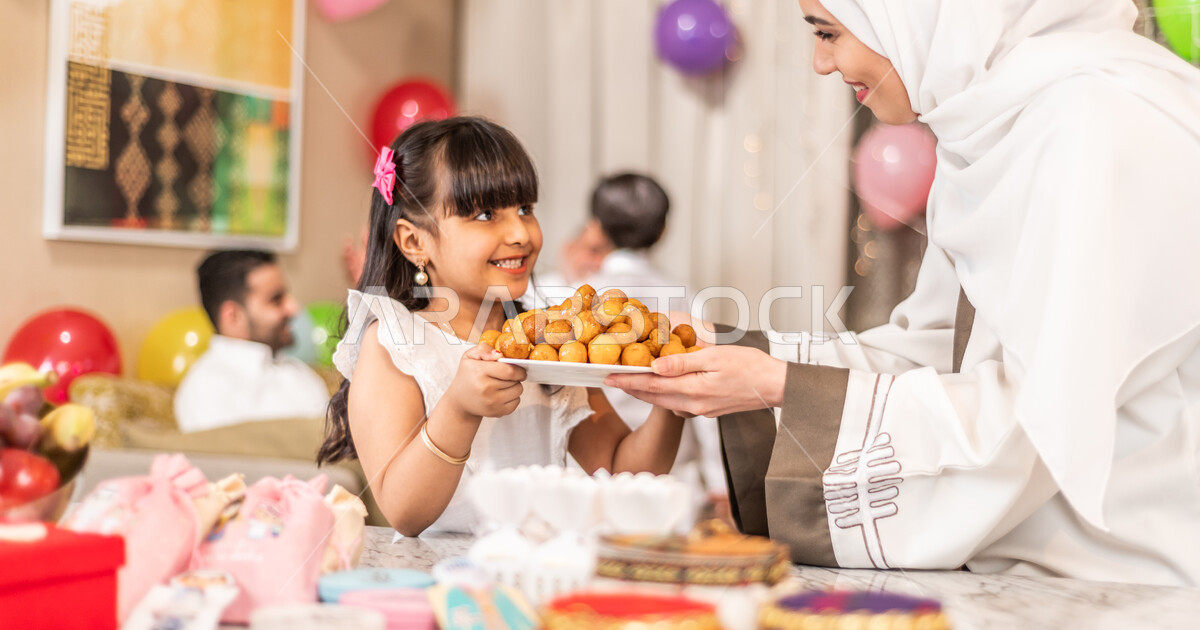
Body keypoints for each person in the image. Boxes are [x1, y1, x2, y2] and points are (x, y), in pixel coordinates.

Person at [606, 0, 1200, 587]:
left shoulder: (1094, 126)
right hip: (1029, 571)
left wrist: (777, 387)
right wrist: (735, 351)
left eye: (829, 32)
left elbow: (1037, 418)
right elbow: (939, 351)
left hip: (1129, 573)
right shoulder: (991, 128)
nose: (820, 62)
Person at [317, 117, 686, 537]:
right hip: (442, 584)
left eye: (526, 209)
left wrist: (672, 401)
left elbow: (623, 471)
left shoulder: (549, 339)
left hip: (537, 573)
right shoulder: (396, 343)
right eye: (486, 214)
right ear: (414, 242)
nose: (520, 233)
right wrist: (458, 408)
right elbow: (405, 511)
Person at [538, 173, 730, 524]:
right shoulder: (684, 294)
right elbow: (705, 383)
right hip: (670, 476)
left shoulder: (572, 296)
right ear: (662, 232)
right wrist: (720, 480)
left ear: (595, 229)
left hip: (585, 472)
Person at [174, 250, 330, 433]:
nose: (294, 309)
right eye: (276, 299)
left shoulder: (302, 375)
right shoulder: (204, 389)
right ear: (233, 317)